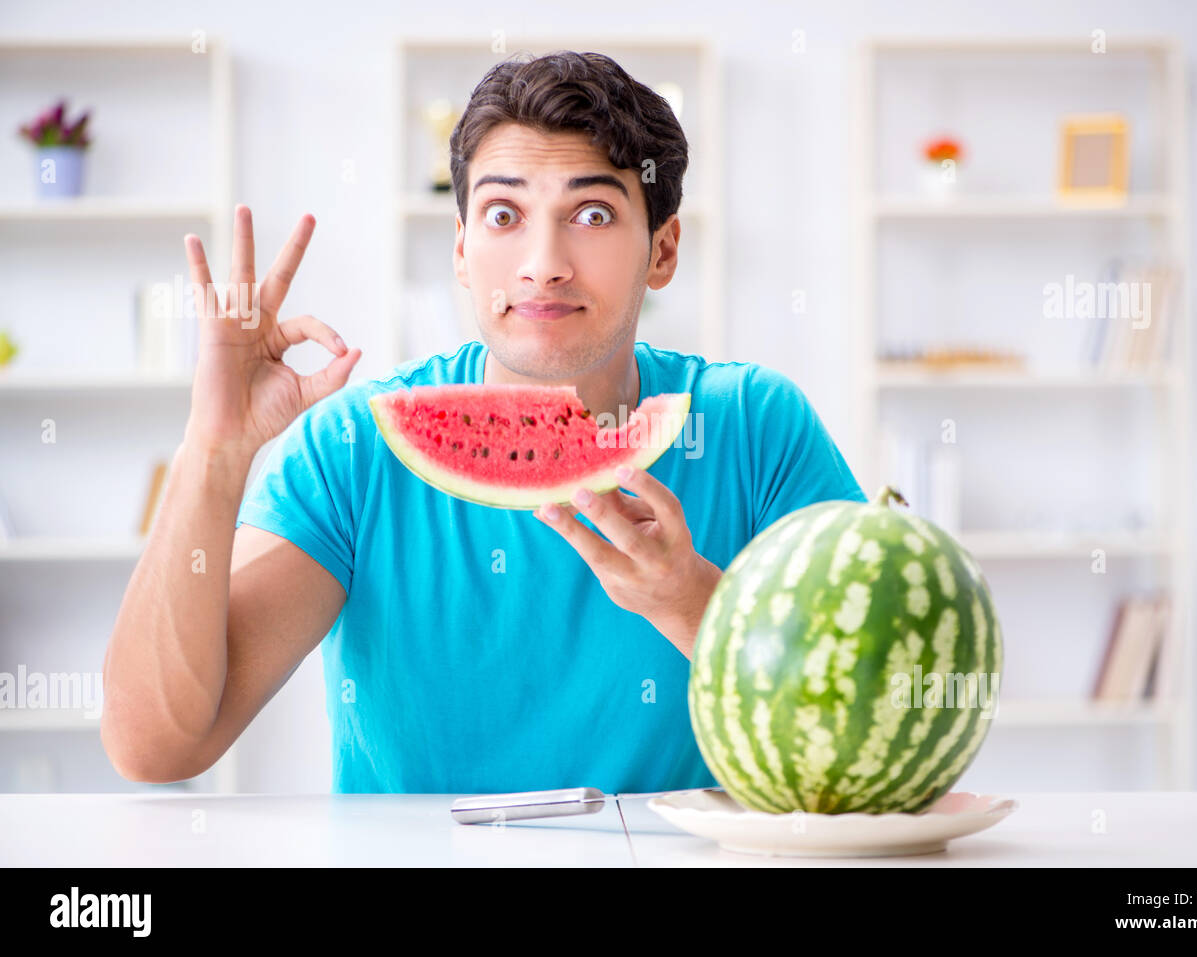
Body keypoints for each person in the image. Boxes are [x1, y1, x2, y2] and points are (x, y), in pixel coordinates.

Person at [101, 51, 865, 794]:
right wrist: (212, 449)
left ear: (662, 250)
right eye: (504, 214)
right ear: (463, 249)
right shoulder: (355, 451)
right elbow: (157, 746)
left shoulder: (756, 428)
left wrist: (695, 603)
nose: (542, 262)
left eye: (591, 213)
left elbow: (869, 729)